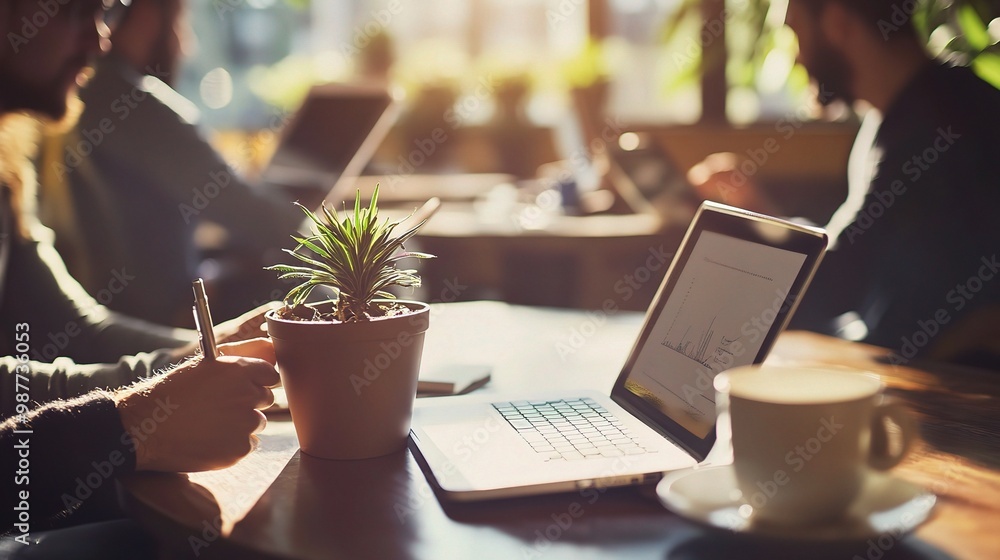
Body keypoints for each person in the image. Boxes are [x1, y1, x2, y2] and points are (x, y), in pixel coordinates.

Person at [0, 0, 280, 547]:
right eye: (73, 11)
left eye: (105, 10)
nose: (100, 39)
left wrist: (203, 352)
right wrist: (129, 425)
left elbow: (74, 327)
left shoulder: (9, 159)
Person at [713, 0, 1000, 367]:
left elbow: (842, 281)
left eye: (795, 32)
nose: (796, 58)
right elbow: (851, 254)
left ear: (837, 22)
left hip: (954, 380)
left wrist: (743, 238)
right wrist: (758, 212)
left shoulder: (941, 125)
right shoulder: (903, 112)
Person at [38, 0, 303, 326]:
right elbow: (243, 209)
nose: (186, 44)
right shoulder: (132, 104)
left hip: (115, 299)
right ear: (148, 17)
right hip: (162, 311)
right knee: (303, 283)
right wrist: (317, 225)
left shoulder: (80, 91)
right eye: (180, 23)